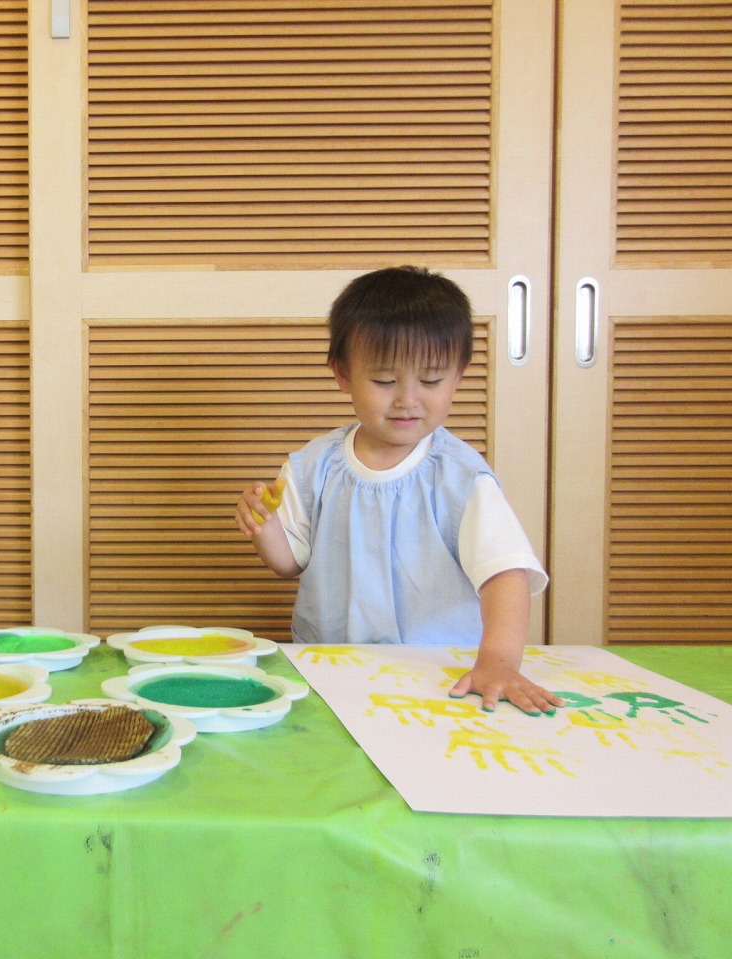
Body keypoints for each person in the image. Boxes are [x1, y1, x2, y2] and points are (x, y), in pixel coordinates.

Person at [235, 266, 563, 715]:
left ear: (458, 375)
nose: (408, 399)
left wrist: (498, 663)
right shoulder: (313, 465)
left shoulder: (461, 477)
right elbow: (289, 563)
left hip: (441, 674)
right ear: (343, 375)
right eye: (385, 381)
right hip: (332, 667)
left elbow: (505, 575)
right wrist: (266, 526)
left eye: (431, 381)